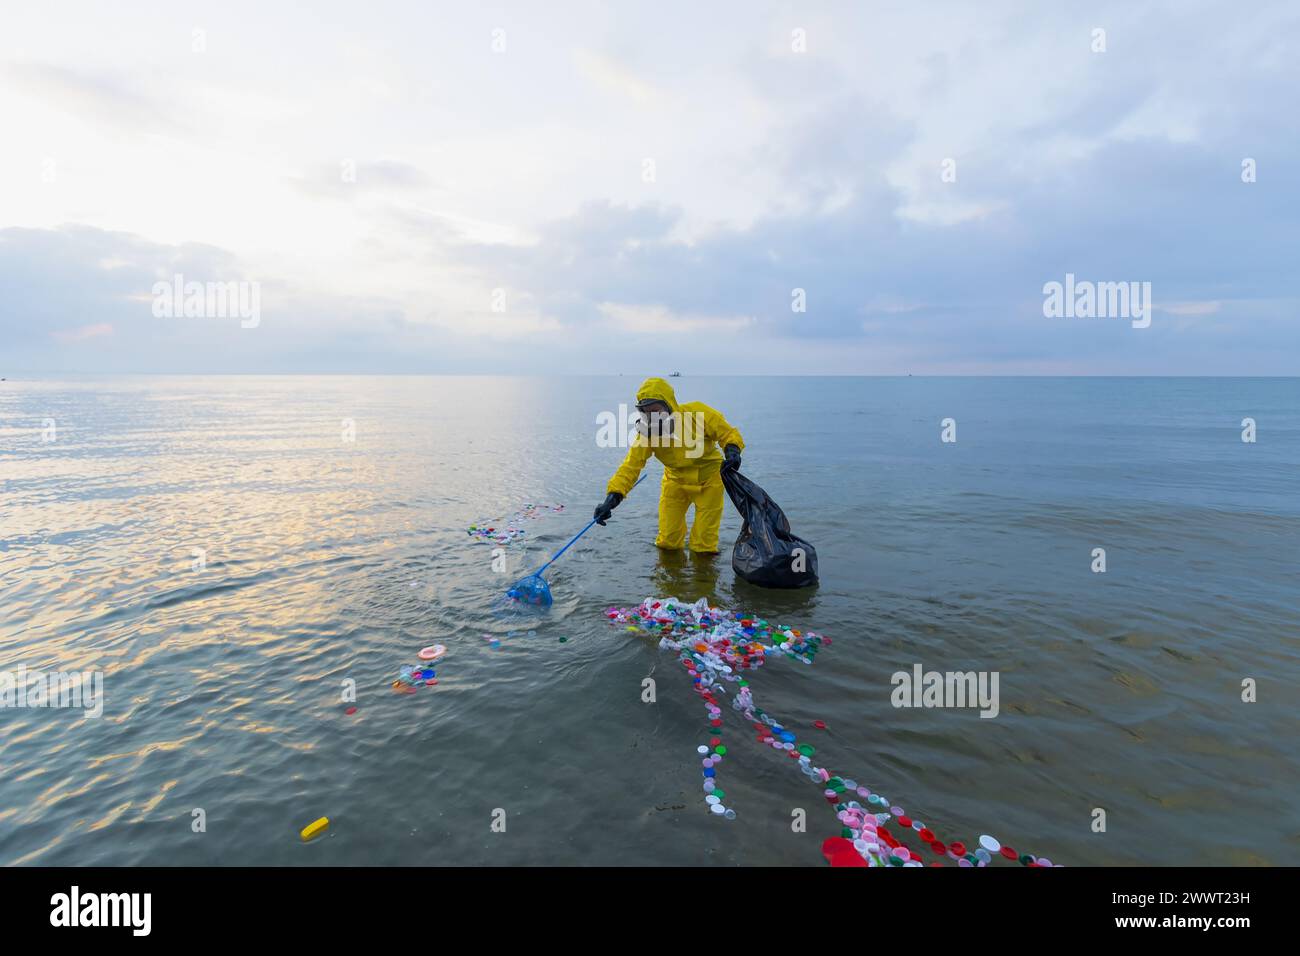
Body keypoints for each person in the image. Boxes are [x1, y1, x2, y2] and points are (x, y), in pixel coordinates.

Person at [594, 376, 744, 554]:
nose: (653, 417)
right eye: (646, 413)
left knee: (704, 546)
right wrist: (612, 497)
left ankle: (704, 578)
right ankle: (670, 579)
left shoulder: (698, 414)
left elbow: (727, 433)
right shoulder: (647, 435)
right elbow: (630, 467)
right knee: (667, 542)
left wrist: (732, 450)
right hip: (674, 483)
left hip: (709, 482)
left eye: (656, 411)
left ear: (669, 405)